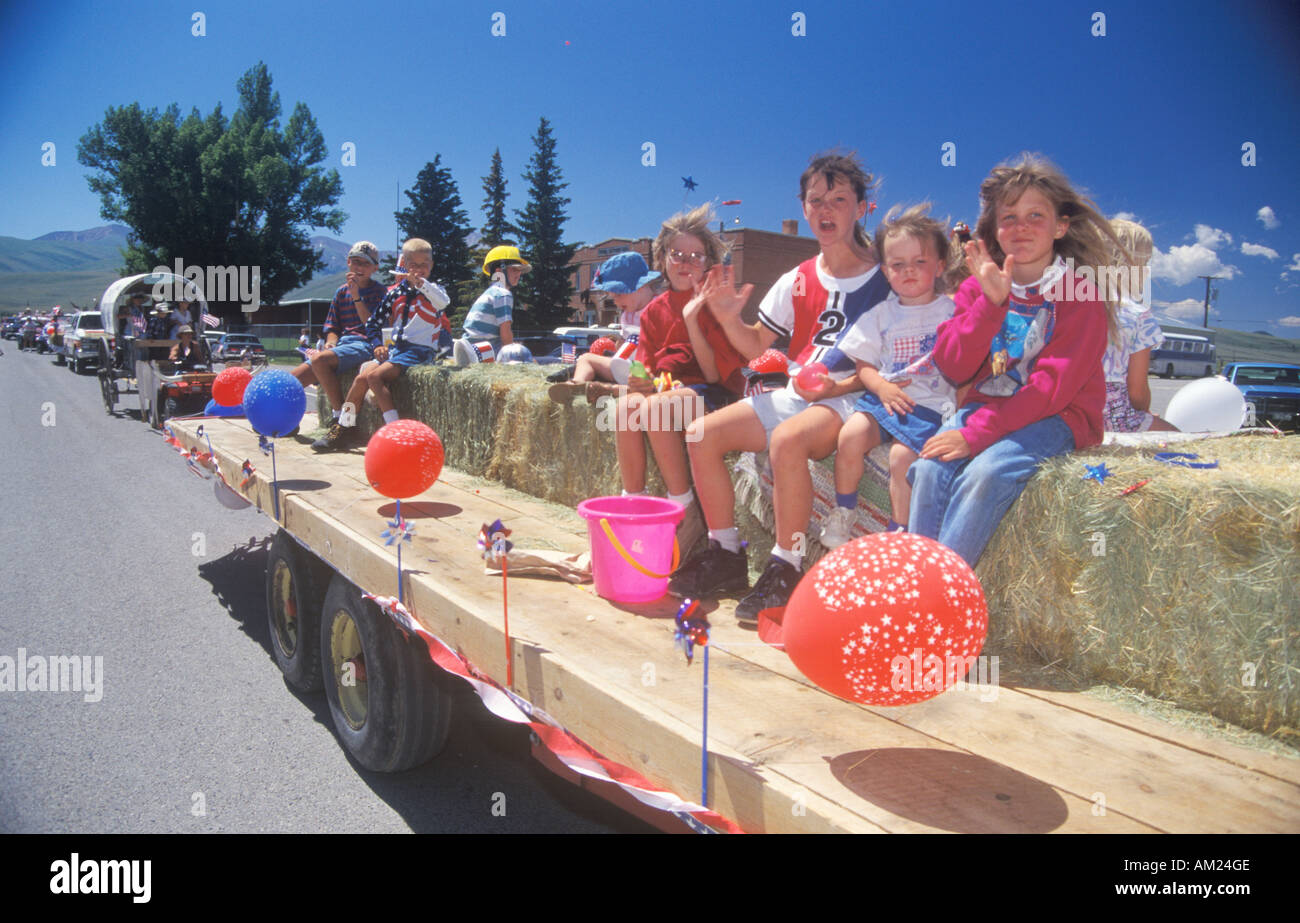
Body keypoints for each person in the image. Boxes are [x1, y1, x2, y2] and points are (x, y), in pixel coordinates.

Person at [668, 151, 891, 613]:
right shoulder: (798, 278)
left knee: (787, 441)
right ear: (803, 207)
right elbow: (756, 347)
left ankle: (785, 566)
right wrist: (729, 319)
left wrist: (841, 387)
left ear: (861, 207)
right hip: (799, 392)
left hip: (855, 398)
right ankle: (726, 553)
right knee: (700, 434)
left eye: (839, 199)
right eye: (815, 201)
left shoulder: (890, 276)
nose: (825, 211)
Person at [907, 152, 1123, 567]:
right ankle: (919, 585)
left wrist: (974, 436)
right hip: (990, 407)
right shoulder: (976, 288)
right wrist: (991, 304)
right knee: (931, 467)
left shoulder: (1080, 295)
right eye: (1008, 218)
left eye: (1035, 216)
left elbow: (1049, 390)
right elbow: (952, 366)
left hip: (1059, 417)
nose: (1021, 227)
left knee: (987, 473)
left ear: (1061, 226)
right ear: (994, 231)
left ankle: (944, 594)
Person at [607, 206, 749, 557]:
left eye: (696, 257)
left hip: (716, 393)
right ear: (661, 258)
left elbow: (715, 375)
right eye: (677, 254)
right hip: (673, 392)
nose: (686, 263)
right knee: (626, 408)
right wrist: (640, 380)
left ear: (709, 263)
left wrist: (691, 320)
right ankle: (634, 502)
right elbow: (647, 367)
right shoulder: (654, 310)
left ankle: (682, 507)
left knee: (656, 408)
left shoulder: (716, 304)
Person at [819, 205, 957, 551]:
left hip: (928, 406)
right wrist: (880, 386)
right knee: (850, 435)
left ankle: (900, 529)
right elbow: (863, 364)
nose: (908, 271)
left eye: (920, 262)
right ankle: (844, 508)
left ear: (940, 266)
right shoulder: (881, 314)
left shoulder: (952, 311)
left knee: (901, 460)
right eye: (898, 265)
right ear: (885, 271)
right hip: (883, 398)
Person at [312, 238, 449, 452]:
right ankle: (342, 427)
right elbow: (373, 323)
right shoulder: (395, 293)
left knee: (375, 377)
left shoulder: (434, 291)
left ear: (431, 265)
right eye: (414, 264)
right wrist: (377, 344)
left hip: (420, 351)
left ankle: (395, 433)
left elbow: (443, 303)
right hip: (397, 350)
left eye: (425, 264)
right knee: (360, 379)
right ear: (406, 265)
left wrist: (423, 286)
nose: (420, 269)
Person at [291, 241, 386, 430]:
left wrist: (357, 296)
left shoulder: (380, 292)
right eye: (355, 261)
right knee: (292, 380)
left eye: (365, 264)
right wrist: (331, 344)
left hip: (365, 344)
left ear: (375, 268)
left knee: (319, 361)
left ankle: (339, 419)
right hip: (344, 345)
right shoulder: (341, 292)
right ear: (348, 263)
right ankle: (288, 421)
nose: (359, 267)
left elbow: (373, 326)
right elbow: (333, 327)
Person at [547, 250, 661, 402]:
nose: (615, 302)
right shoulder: (627, 314)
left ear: (641, 286)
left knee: (652, 384)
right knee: (586, 358)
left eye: (619, 294)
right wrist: (620, 344)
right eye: (612, 297)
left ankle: (615, 390)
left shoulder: (659, 307)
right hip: (625, 366)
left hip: (649, 372)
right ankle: (576, 385)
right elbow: (627, 340)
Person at [1102, 219, 1176, 433]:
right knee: (1183, 444)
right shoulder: (1138, 315)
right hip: (1114, 417)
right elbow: (1137, 392)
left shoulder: (1072, 305)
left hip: (1072, 414)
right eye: (1146, 264)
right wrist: (1143, 413)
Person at [462, 245, 527, 355]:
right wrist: (511, 357)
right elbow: (505, 333)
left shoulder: (490, 293)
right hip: (483, 352)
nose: (519, 274)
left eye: (520, 270)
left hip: (470, 350)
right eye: (515, 269)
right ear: (499, 271)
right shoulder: (503, 294)